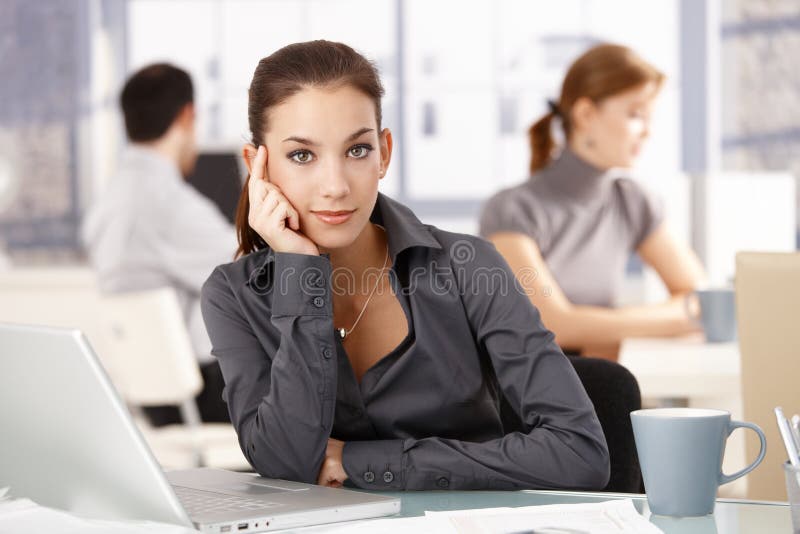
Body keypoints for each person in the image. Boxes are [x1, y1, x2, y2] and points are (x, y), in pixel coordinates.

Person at [200, 40, 609, 491]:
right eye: (302, 156)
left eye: (357, 150)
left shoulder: (468, 267)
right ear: (257, 165)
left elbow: (579, 452)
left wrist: (361, 462)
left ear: (384, 153)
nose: (335, 186)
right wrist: (299, 266)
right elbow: (287, 463)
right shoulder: (233, 296)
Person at [480, 43, 706, 361]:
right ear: (586, 114)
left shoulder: (633, 201)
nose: (648, 132)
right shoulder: (511, 210)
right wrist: (664, 319)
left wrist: (595, 325)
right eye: (636, 115)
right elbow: (553, 325)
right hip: (525, 401)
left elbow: (703, 303)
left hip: (603, 386)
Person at [82, 63, 236, 425]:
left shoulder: (105, 205)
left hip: (149, 397)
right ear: (188, 115)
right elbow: (255, 271)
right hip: (201, 397)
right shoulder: (170, 205)